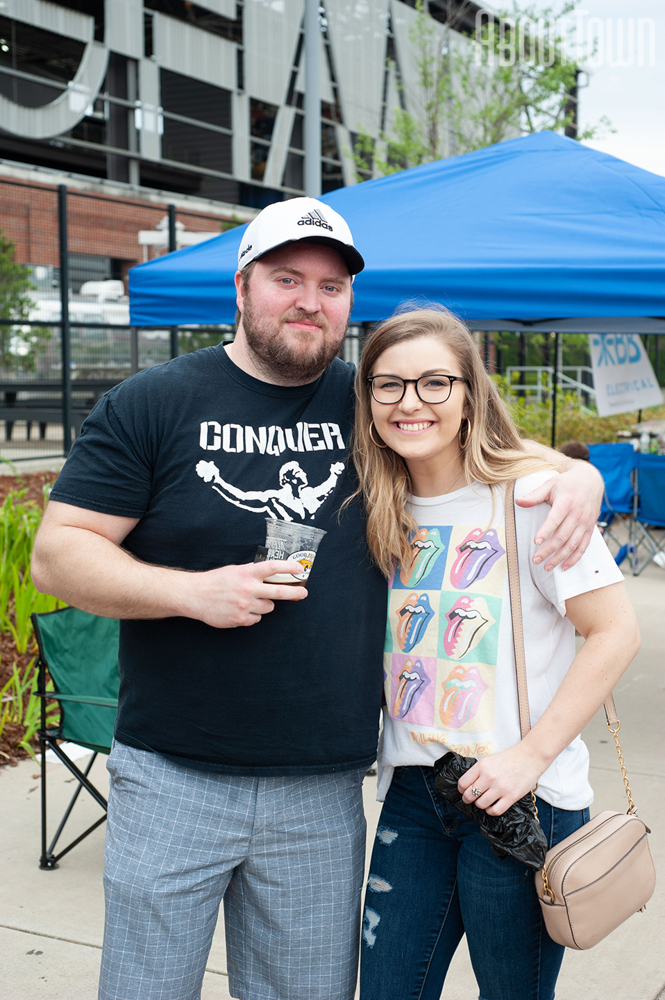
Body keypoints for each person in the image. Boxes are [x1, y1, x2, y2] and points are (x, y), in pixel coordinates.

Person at [32, 201, 604, 1000]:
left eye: (331, 286)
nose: (310, 300)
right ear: (242, 286)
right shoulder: (152, 402)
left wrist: (581, 475)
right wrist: (192, 593)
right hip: (172, 777)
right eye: (286, 278)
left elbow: (479, 436)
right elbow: (58, 556)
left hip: (323, 787)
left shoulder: (371, 399)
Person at [351, 308, 640, 1000]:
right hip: (415, 797)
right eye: (387, 385)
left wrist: (529, 757)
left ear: (468, 394)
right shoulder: (374, 505)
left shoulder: (534, 499)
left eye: (433, 382)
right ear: (365, 399)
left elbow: (615, 632)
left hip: (522, 800)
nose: (409, 402)